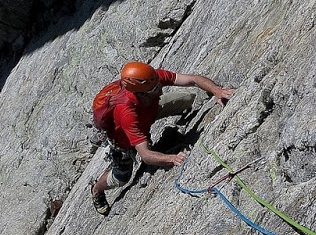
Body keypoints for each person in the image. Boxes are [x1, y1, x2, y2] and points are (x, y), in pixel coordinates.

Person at [90, 61, 233, 215]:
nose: (160, 87)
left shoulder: (152, 79)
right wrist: (172, 158)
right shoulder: (126, 113)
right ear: (141, 93)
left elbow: (192, 79)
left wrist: (216, 90)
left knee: (188, 98)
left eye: (158, 83)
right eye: (154, 88)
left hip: (149, 111)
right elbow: (145, 155)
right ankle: (96, 188)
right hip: (125, 138)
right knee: (122, 177)